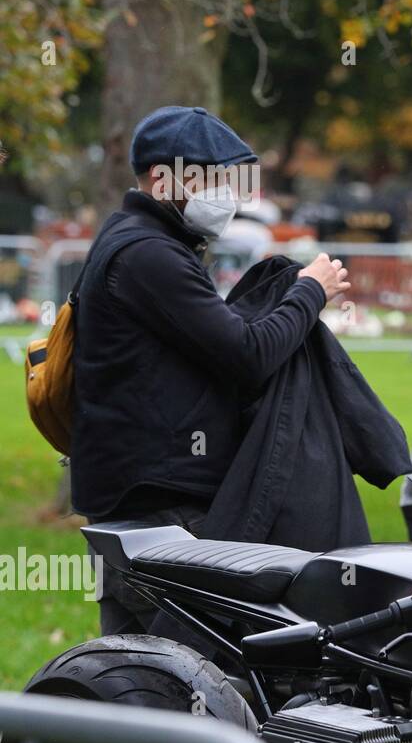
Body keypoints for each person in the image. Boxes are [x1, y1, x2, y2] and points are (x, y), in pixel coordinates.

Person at [72, 105, 351, 634]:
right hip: (162, 517)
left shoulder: (135, 241)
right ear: (161, 179)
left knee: (137, 687)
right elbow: (248, 355)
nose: (227, 192)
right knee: (210, 681)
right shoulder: (149, 254)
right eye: (213, 178)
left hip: (136, 508)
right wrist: (309, 291)